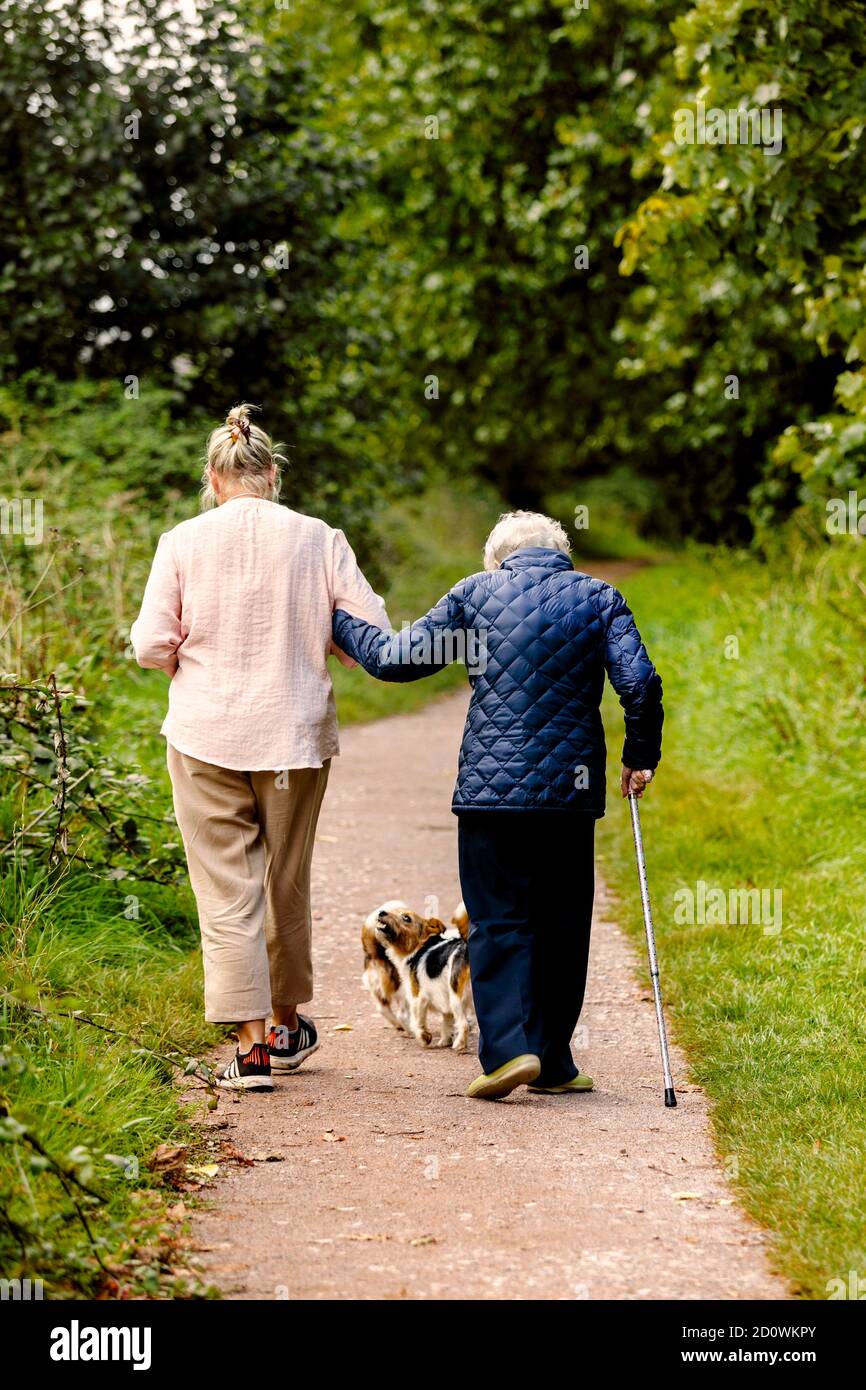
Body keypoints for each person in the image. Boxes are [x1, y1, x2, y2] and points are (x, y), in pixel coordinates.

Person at [333, 509, 663, 1100]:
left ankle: (511, 1052)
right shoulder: (598, 597)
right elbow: (638, 683)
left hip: (489, 795)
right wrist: (639, 755)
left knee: (499, 918)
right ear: (561, 555)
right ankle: (556, 1062)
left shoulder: (474, 596)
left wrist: (339, 620)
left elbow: (393, 659)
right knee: (562, 924)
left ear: (497, 559)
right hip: (570, 792)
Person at [131, 404, 388, 1090]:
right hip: (294, 737)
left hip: (205, 733)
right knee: (286, 879)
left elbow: (151, 643)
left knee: (225, 890)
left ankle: (248, 1051)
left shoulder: (180, 541)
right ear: (271, 475)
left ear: (214, 478)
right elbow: (369, 628)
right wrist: (324, 638)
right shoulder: (319, 538)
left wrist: (189, 658)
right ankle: (284, 1024)